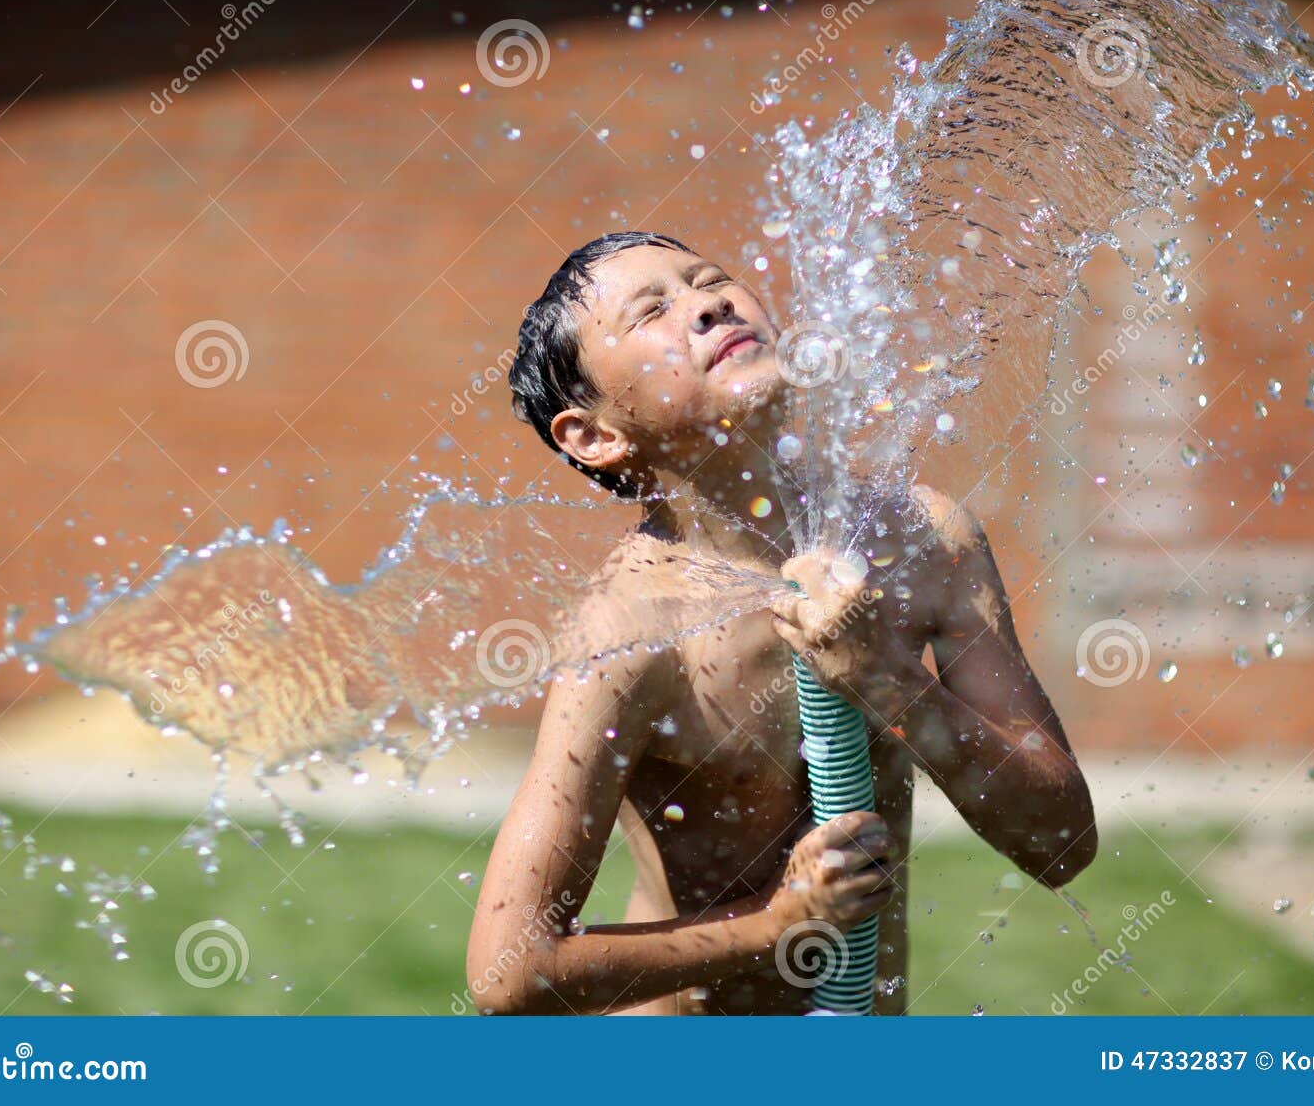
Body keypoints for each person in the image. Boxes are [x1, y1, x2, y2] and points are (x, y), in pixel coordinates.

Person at [465, 231, 1095, 1014]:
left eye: (709, 279)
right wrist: (779, 922)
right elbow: (508, 971)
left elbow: (1062, 844)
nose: (705, 304)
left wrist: (890, 683)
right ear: (595, 435)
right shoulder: (627, 635)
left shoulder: (924, 538)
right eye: (653, 310)